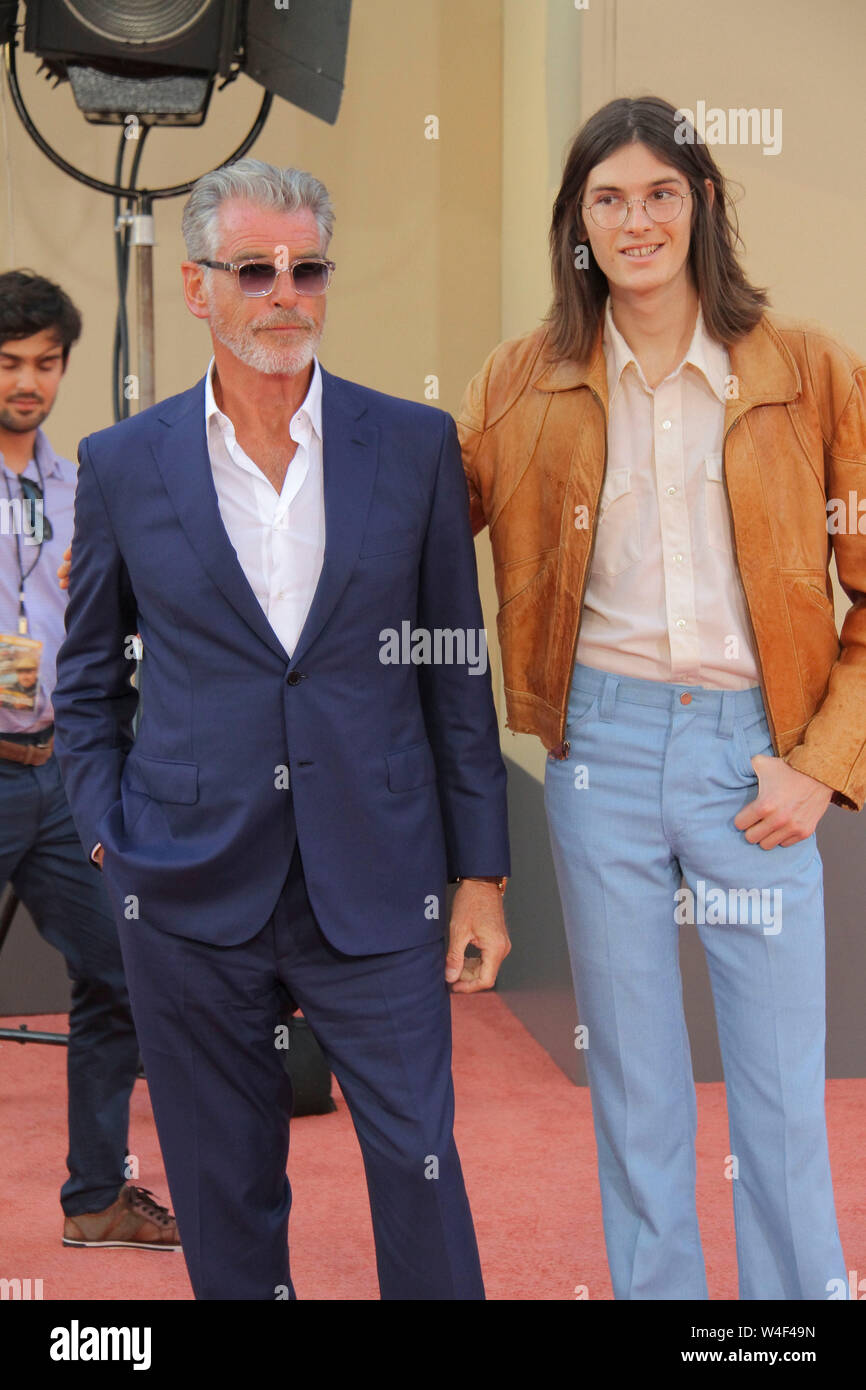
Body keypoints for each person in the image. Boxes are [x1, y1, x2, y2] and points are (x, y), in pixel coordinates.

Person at [52, 159, 511, 1301]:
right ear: (200, 288)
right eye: (253, 269)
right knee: (225, 1180)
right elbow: (88, 680)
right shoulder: (121, 463)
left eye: (306, 268)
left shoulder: (410, 445)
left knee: (417, 1161)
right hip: (189, 881)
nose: (284, 293)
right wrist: (111, 836)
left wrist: (483, 874)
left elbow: (455, 667)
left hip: (380, 875)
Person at [458, 95, 865, 1300]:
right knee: (633, 1082)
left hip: (755, 757)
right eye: (606, 199)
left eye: (659, 193)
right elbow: (411, 530)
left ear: (699, 208)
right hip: (598, 756)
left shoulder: (807, 372)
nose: (634, 221)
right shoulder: (519, 381)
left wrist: (822, 762)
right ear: (575, 226)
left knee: (782, 1090)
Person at [0, 270, 178, 1250]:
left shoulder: (81, 486)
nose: (30, 381)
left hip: (61, 770)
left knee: (119, 973)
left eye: (46, 363)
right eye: (10, 362)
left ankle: (96, 1198)